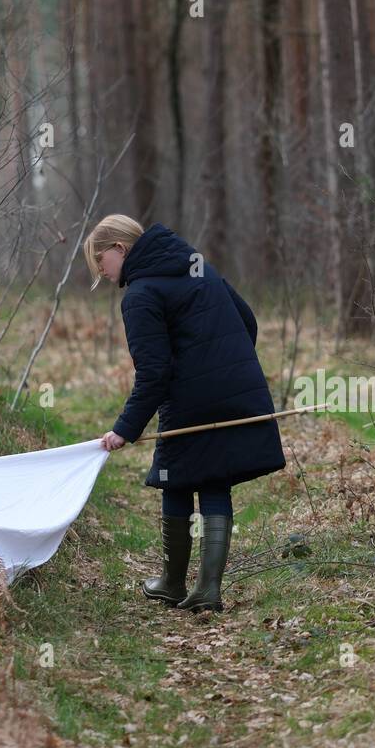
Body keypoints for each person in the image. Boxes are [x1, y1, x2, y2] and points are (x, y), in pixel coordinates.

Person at [84, 216, 286, 610]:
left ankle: (174, 583)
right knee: (213, 478)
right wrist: (226, 364)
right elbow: (246, 319)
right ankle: (205, 589)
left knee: (173, 476)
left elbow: (154, 372)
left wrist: (125, 428)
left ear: (120, 249)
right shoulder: (194, 263)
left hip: (190, 398)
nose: (102, 272)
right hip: (231, 386)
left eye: (100, 260)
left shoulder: (141, 294)